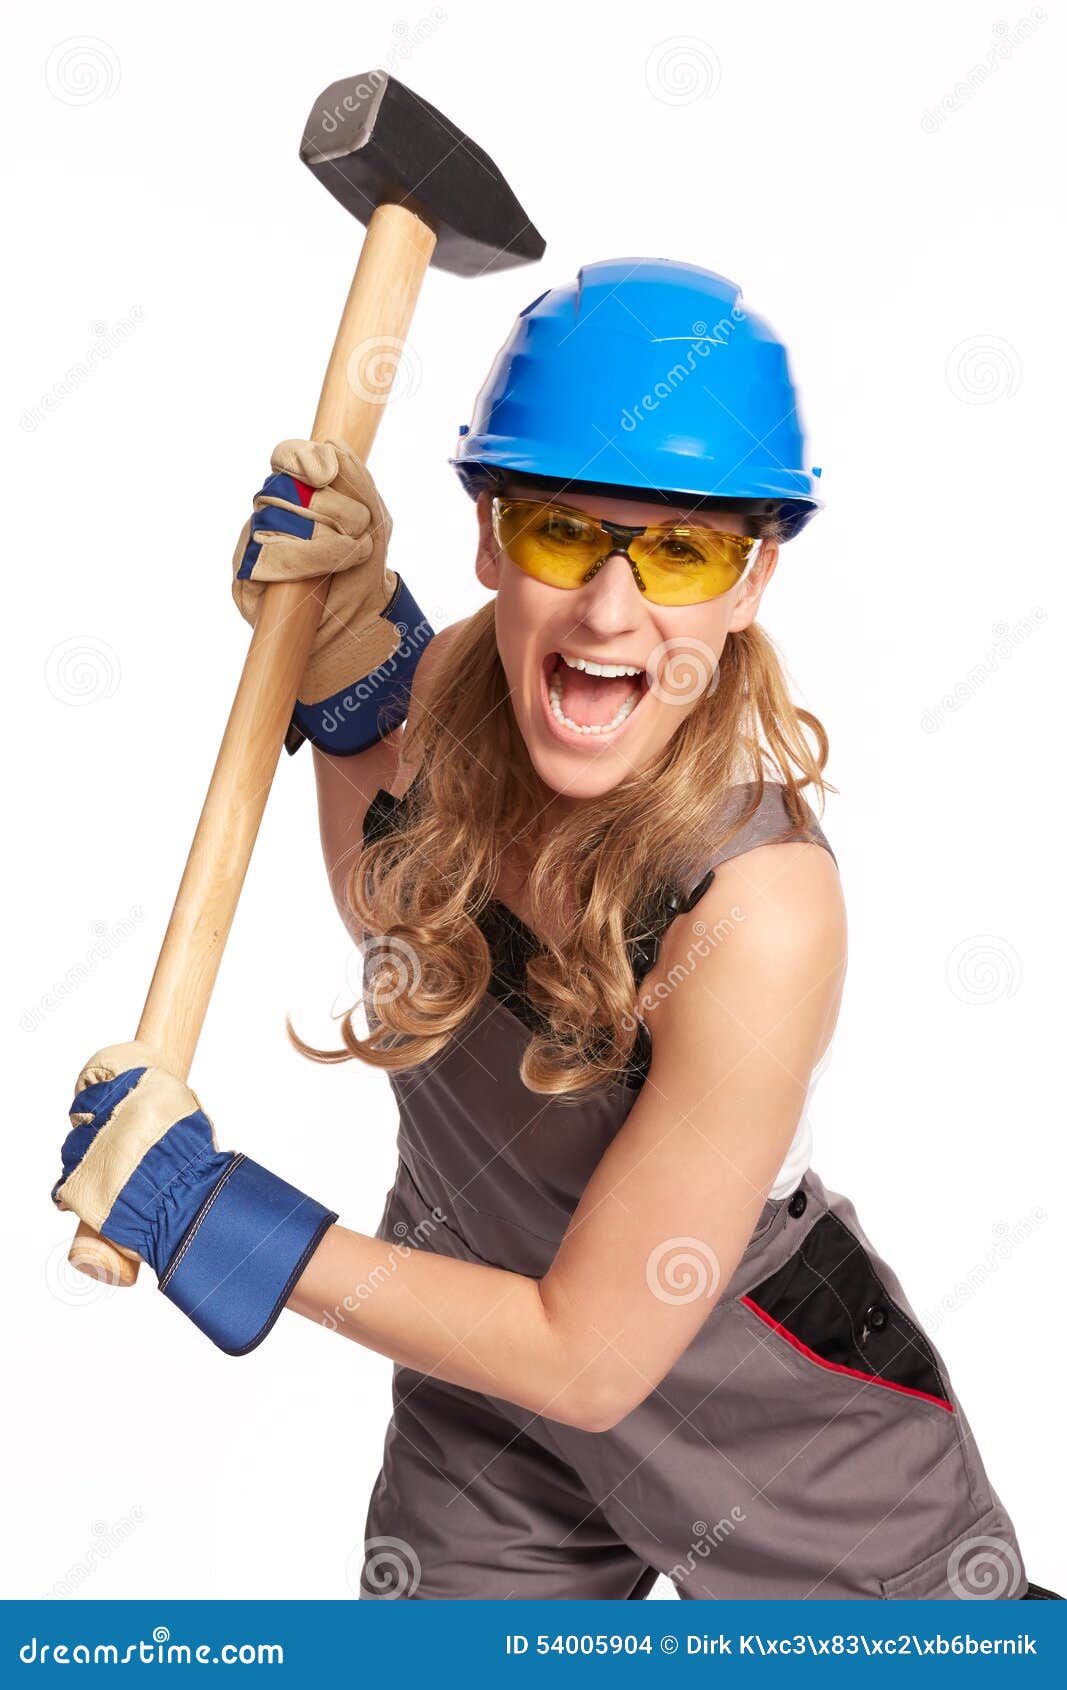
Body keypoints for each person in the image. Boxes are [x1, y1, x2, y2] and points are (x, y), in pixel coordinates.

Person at [53, 259, 1059, 1601]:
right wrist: (340, 649)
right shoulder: (443, 714)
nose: (609, 608)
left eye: (683, 549)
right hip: (490, 1400)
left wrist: (216, 1221)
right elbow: (399, 925)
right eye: (563, 533)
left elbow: (590, 1353)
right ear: (489, 533)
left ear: (752, 579)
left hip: (773, 1427)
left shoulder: (758, 906)